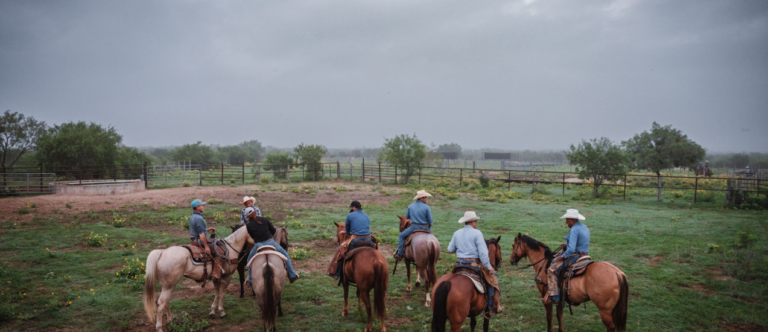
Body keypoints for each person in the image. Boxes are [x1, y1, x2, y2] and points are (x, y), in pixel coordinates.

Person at [447, 211, 503, 314]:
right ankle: (491, 307)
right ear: (472, 222)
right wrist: (489, 267)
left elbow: (450, 249)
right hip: (473, 265)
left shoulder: (457, 233)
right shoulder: (477, 233)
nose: (476, 224)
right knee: (492, 281)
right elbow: (483, 254)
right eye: (476, 221)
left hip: (459, 265)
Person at [543, 209, 590, 305]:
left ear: (572, 220)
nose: (566, 222)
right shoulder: (584, 227)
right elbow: (580, 242)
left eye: (567, 220)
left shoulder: (573, 230)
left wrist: (562, 256)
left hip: (575, 256)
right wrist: (566, 245)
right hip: (585, 254)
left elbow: (571, 250)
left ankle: (555, 297)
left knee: (551, 270)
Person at [244, 207, 300, 284]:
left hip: (258, 245)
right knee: (286, 255)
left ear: (247, 216)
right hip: (270, 242)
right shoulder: (264, 219)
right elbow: (273, 231)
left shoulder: (248, 225)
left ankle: (250, 280)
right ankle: (292, 275)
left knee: (248, 261)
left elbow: (253, 236)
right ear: (255, 212)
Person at [330, 200, 375, 279]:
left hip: (355, 240)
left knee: (341, 251)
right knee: (375, 251)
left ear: (354, 207)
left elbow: (347, 229)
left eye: (351, 207)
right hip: (368, 239)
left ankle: (337, 273)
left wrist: (346, 231)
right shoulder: (366, 216)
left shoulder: (350, 215)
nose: (350, 208)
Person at [188, 199, 223, 281]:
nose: (203, 206)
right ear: (197, 207)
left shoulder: (193, 216)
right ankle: (216, 274)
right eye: (201, 205)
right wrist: (206, 247)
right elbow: (201, 235)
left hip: (194, 240)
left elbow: (197, 230)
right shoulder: (199, 218)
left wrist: (206, 230)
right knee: (219, 251)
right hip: (199, 241)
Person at [394, 190, 433, 261]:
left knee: (401, 236)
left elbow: (407, 217)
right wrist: (429, 226)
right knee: (432, 239)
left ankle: (400, 254)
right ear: (421, 198)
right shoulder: (427, 207)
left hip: (414, 227)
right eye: (425, 198)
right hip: (425, 228)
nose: (426, 199)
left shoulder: (410, 206)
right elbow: (430, 220)